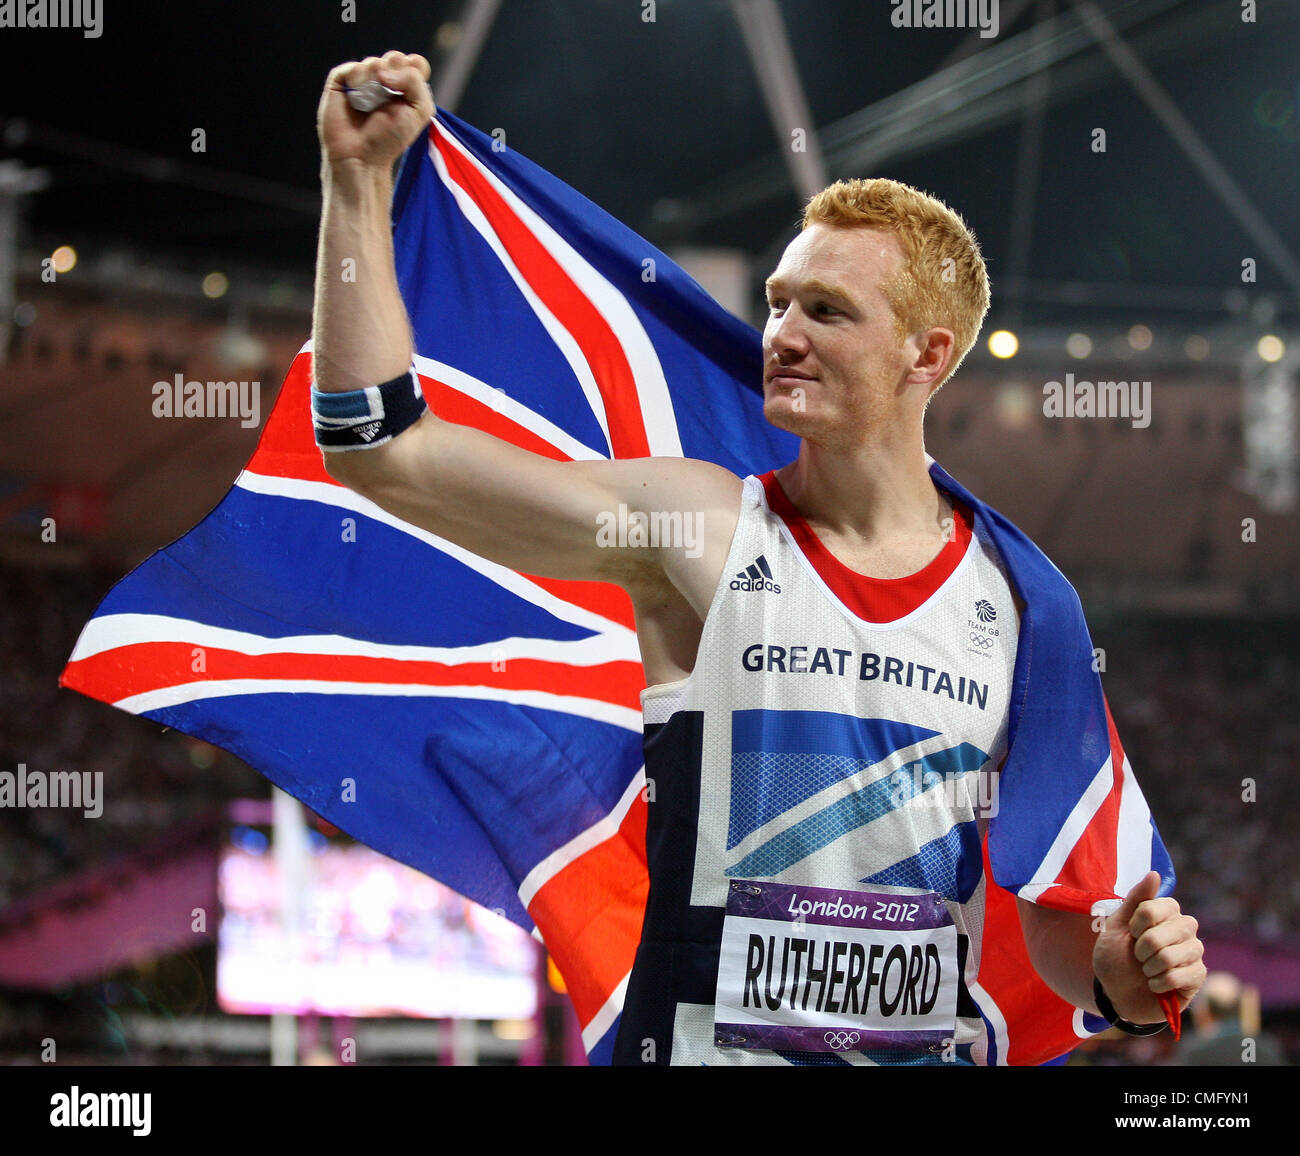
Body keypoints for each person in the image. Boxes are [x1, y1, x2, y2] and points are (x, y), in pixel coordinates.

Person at [312, 50, 1206, 1065]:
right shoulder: (694, 531)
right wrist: (358, 184)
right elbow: (382, 450)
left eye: (825, 310)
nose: (781, 333)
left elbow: (1053, 908)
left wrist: (1117, 978)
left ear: (928, 355)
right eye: (778, 301)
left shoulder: (1019, 600)